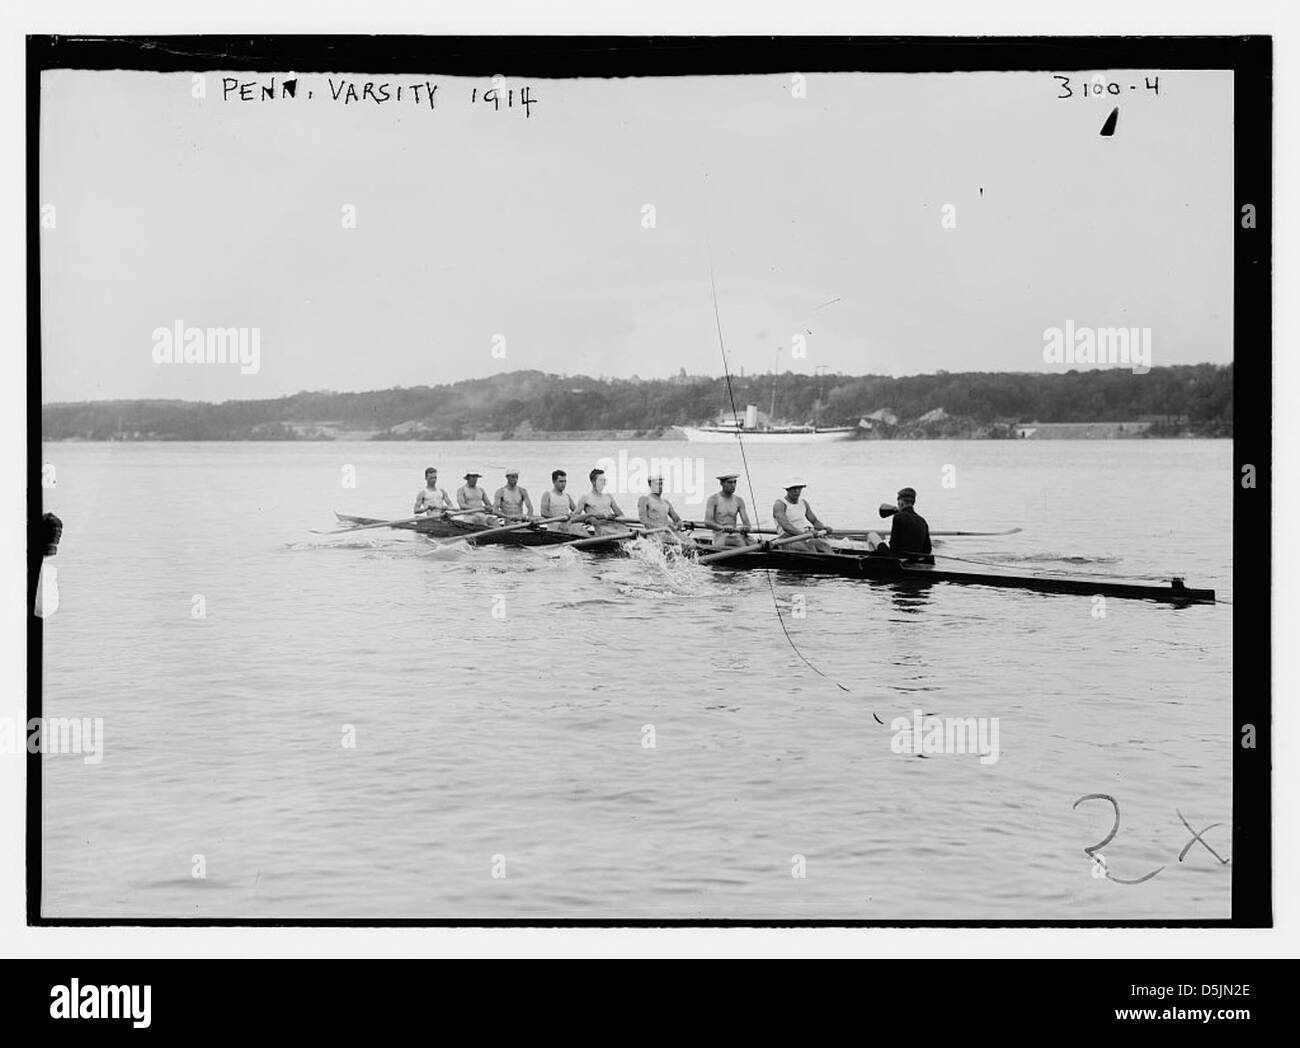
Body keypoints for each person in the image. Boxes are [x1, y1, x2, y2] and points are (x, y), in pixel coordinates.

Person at [773, 479, 834, 553]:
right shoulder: (780, 504)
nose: (797, 491)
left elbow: (814, 521)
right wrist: (805, 535)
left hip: (802, 537)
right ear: (787, 490)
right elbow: (786, 526)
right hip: (786, 539)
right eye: (793, 489)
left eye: (799, 488)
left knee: (826, 547)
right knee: (810, 549)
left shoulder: (803, 503)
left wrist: (824, 528)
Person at [637, 476, 694, 548]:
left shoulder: (666, 502)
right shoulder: (644, 499)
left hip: (668, 533)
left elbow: (678, 520)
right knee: (683, 544)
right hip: (654, 534)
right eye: (657, 484)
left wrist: (677, 526)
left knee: (692, 543)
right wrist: (663, 527)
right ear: (650, 485)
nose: (660, 486)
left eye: (661, 484)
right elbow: (643, 520)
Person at [882, 486, 933, 563]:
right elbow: (927, 550)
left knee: (872, 535)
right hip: (915, 559)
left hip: (897, 558)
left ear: (901, 503)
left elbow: (894, 545)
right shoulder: (923, 521)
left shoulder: (898, 517)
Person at [569, 468, 627, 536]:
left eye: (604, 480)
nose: (604, 483)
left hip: (611, 524)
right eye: (601, 480)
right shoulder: (585, 498)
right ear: (593, 482)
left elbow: (621, 515)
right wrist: (589, 517)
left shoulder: (609, 496)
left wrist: (614, 517)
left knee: (625, 529)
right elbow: (574, 517)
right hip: (597, 527)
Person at [704, 473, 753, 548]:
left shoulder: (739, 500)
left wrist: (744, 528)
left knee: (753, 542)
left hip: (735, 533)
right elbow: (707, 522)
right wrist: (722, 527)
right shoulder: (713, 499)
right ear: (722, 483)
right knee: (738, 540)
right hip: (720, 536)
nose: (733, 485)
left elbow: (747, 525)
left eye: (735, 482)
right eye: (730, 482)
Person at [540, 470, 583, 535]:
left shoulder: (567, 496)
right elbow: (543, 513)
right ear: (554, 482)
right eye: (561, 481)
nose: (563, 484)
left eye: (565, 481)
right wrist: (560, 520)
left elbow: (577, 511)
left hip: (566, 528)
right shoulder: (547, 494)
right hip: (553, 530)